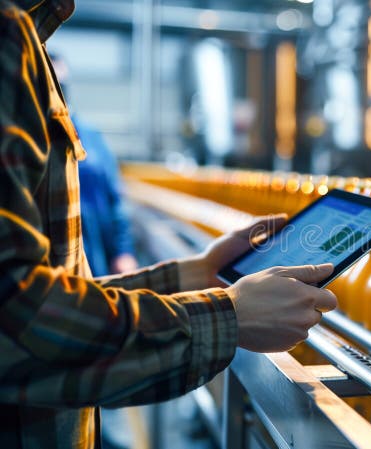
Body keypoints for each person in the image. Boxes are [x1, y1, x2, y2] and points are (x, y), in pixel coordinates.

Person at [0, 1, 337, 448]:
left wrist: (194, 276)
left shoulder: (26, 37)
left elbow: (44, 292)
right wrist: (228, 316)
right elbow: (16, 319)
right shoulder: (7, 36)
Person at [49, 53, 139, 277]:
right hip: (52, 268)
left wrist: (123, 252)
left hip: (95, 259)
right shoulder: (27, 141)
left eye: (61, 84)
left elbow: (114, 198)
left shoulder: (90, 137)